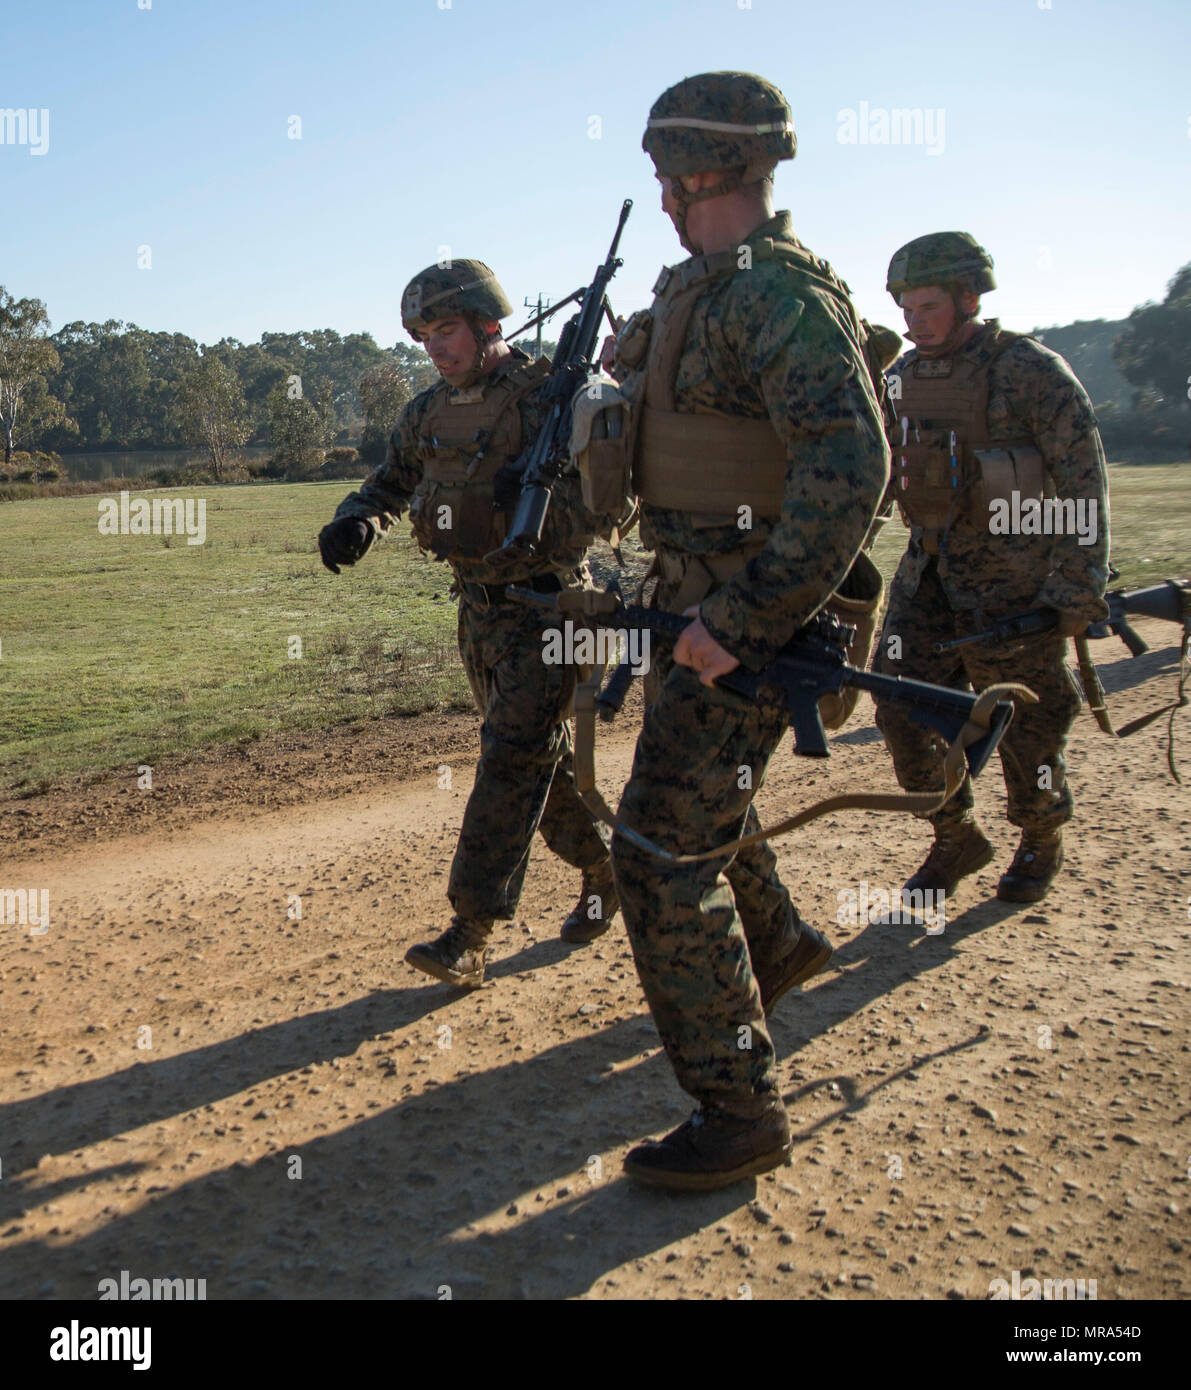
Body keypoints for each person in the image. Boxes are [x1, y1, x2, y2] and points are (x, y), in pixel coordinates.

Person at [604, 72, 889, 1189]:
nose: (661, 198)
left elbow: (851, 462)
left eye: (664, 178)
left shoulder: (774, 298)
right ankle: (776, 945)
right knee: (701, 812)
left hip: (753, 626)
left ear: (689, 177)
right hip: (706, 606)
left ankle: (738, 1109)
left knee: (658, 849)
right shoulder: (710, 289)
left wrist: (745, 614)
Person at [317, 260, 615, 987]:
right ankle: (609, 867)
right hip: (477, 613)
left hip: (550, 612)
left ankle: (469, 932)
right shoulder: (427, 411)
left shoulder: (556, 397)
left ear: (489, 324)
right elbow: (390, 482)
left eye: (444, 329)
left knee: (509, 761)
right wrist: (355, 520)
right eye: (421, 335)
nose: (433, 348)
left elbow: (613, 508)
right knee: (536, 776)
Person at [873, 232, 1110, 904]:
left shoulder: (1030, 371)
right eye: (904, 308)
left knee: (1023, 727)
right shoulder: (900, 380)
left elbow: (1082, 480)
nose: (911, 321)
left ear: (968, 299)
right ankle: (954, 833)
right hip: (927, 577)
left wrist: (1074, 584)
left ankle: (1040, 836)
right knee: (895, 705)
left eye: (925, 306)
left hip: (1013, 589)